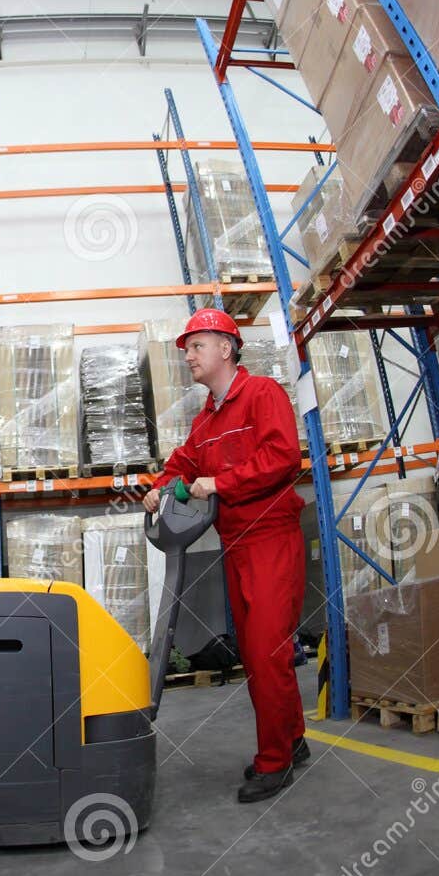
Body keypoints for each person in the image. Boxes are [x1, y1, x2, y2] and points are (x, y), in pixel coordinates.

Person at [141, 307, 308, 803]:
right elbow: (183, 463)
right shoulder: (207, 419)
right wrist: (158, 488)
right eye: (187, 348)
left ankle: (275, 763)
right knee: (262, 655)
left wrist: (223, 482)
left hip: (271, 537)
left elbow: (282, 457)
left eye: (196, 346)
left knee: (265, 652)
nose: (188, 356)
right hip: (236, 544)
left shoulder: (263, 395)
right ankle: (293, 739)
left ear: (226, 348)